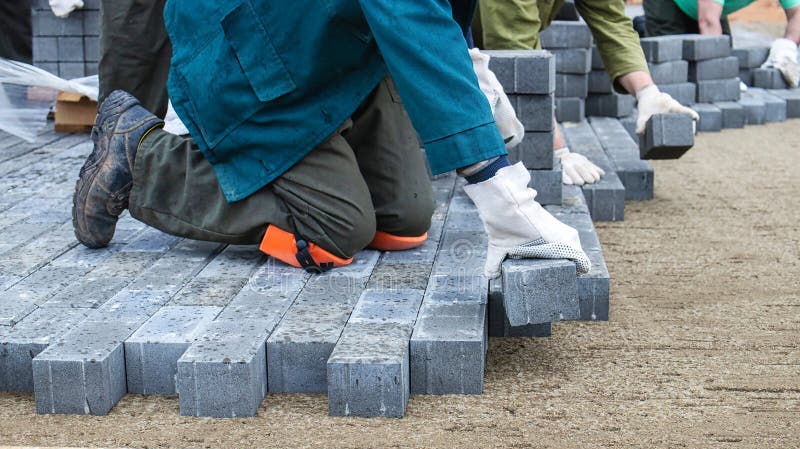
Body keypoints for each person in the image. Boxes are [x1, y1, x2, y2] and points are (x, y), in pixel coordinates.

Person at [73, 0, 590, 280]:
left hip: (339, 39)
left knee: (404, 222)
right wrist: (501, 192)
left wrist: (471, 72)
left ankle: (320, 157)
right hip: (258, 37)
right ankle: (142, 157)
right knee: (334, 231)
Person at [473, 0, 700, 186]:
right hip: (454, 36)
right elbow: (517, 57)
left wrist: (647, 92)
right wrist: (555, 148)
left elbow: (611, 19)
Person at [643, 0, 800, 88]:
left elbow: (797, 13)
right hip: (670, 3)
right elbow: (707, 21)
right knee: (669, 68)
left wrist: (787, 46)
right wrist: (722, 79)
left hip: (710, 7)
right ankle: (641, 31)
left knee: (722, 56)